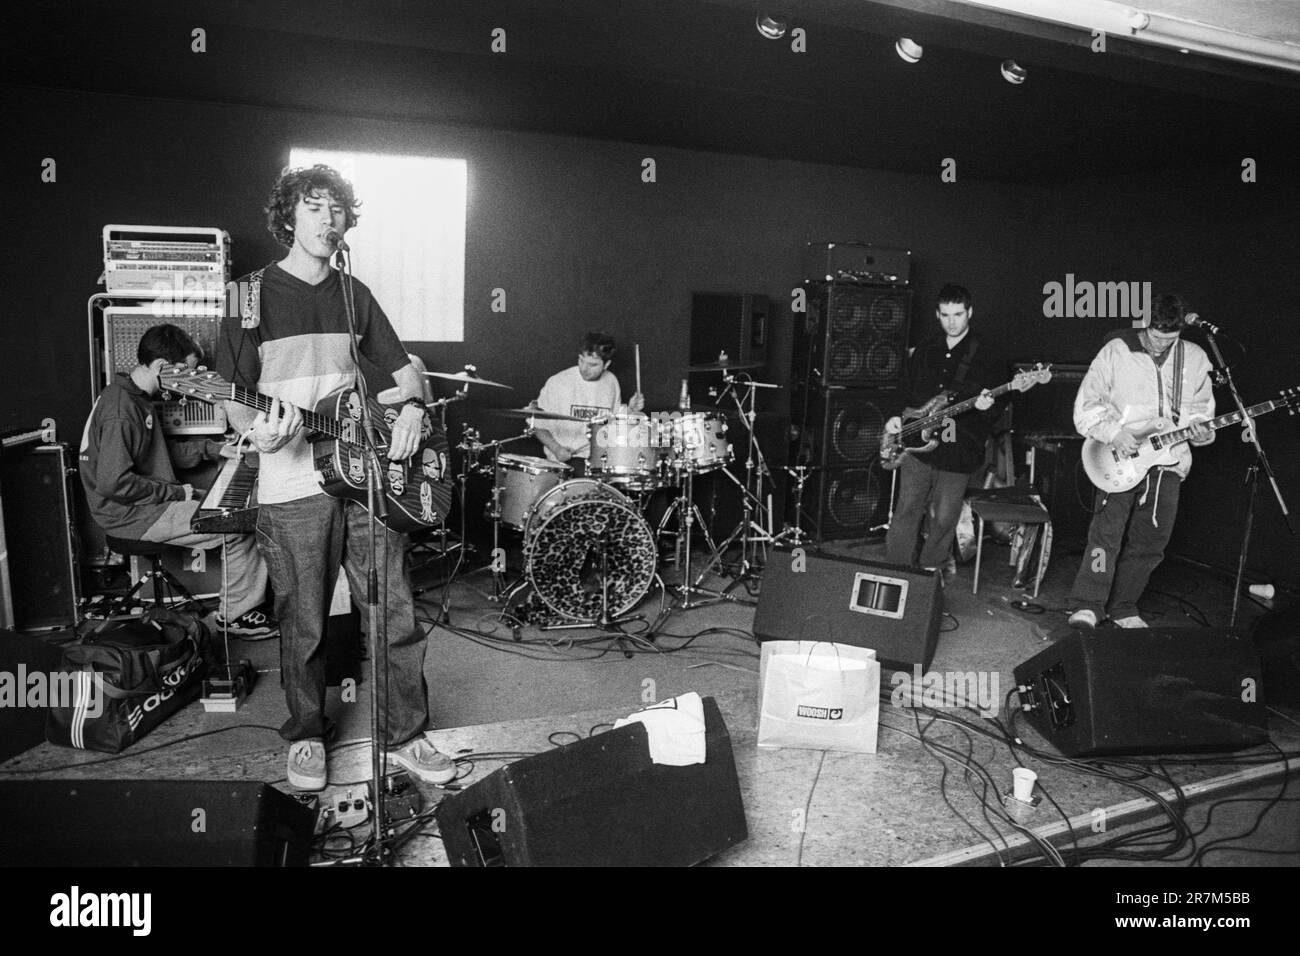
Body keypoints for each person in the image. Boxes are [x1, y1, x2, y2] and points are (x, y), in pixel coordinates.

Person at [216, 164, 456, 791]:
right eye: (313, 207)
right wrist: (258, 429)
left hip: (364, 477)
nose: (328, 220)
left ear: (349, 222)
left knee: (394, 610)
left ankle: (405, 734)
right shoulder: (248, 296)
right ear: (288, 217)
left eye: (338, 210)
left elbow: (407, 379)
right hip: (291, 485)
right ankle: (305, 734)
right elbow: (235, 401)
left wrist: (410, 411)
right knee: (305, 620)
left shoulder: (356, 294)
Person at [78, 324, 276, 636]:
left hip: (145, 505)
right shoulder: (122, 410)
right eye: (186, 372)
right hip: (130, 515)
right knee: (239, 526)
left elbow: (159, 451)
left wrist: (214, 449)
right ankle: (236, 614)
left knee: (232, 508)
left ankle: (242, 604)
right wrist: (176, 493)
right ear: (160, 367)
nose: (191, 381)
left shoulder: (131, 395)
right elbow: (113, 484)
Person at [1067, 294, 1214, 629]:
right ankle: (1088, 604)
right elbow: (1086, 407)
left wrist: (1203, 431)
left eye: (1170, 338)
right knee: (1106, 537)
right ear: (1144, 324)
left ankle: (1124, 607)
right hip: (1120, 458)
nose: (1161, 343)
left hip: (1169, 463)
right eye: (1155, 335)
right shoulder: (1116, 351)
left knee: (1151, 543)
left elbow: (1203, 409)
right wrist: (1113, 432)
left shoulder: (1194, 358)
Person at [883, 284, 999, 580]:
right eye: (945, 315)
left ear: (969, 312)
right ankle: (895, 572)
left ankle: (930, 575)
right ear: (938, 314)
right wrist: (894, 416)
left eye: (958, 314)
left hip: (958, 445)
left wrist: (988, 407)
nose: (952, 321)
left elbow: (999, 403)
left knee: (944, 517)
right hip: (916, 442)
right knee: (907, 508)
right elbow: (903, 386)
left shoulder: (986, 353)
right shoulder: (925, 348)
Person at [531, 332, 644, 474]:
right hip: (564, 463)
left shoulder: (611, 382)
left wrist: (631, 410)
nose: (584, 368)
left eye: (592, 365)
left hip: (599, 462)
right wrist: (556, 449)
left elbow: (613, 425)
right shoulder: (558, 382)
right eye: (581, 360)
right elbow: (536, 424)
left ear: (607, 364)